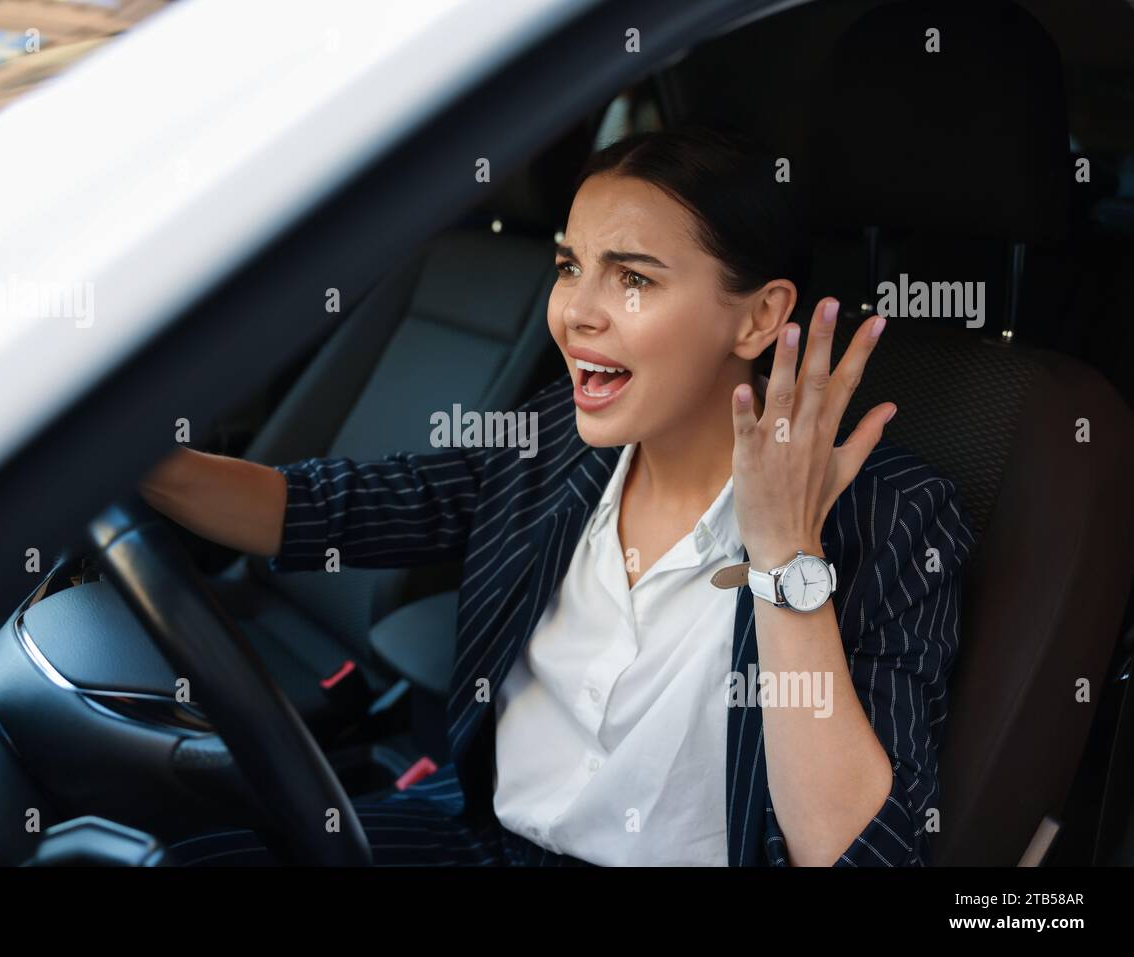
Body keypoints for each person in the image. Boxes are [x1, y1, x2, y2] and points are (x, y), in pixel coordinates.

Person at [142, 123, 976, 867]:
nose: (575, 311)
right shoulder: (555, 441)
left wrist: (786, 552)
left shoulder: (891, 514)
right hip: (482, 839)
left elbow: (859, 853)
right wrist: (133, 461)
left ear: (758, 319)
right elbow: (337, 508)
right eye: (570, 266)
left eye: (633, 278)